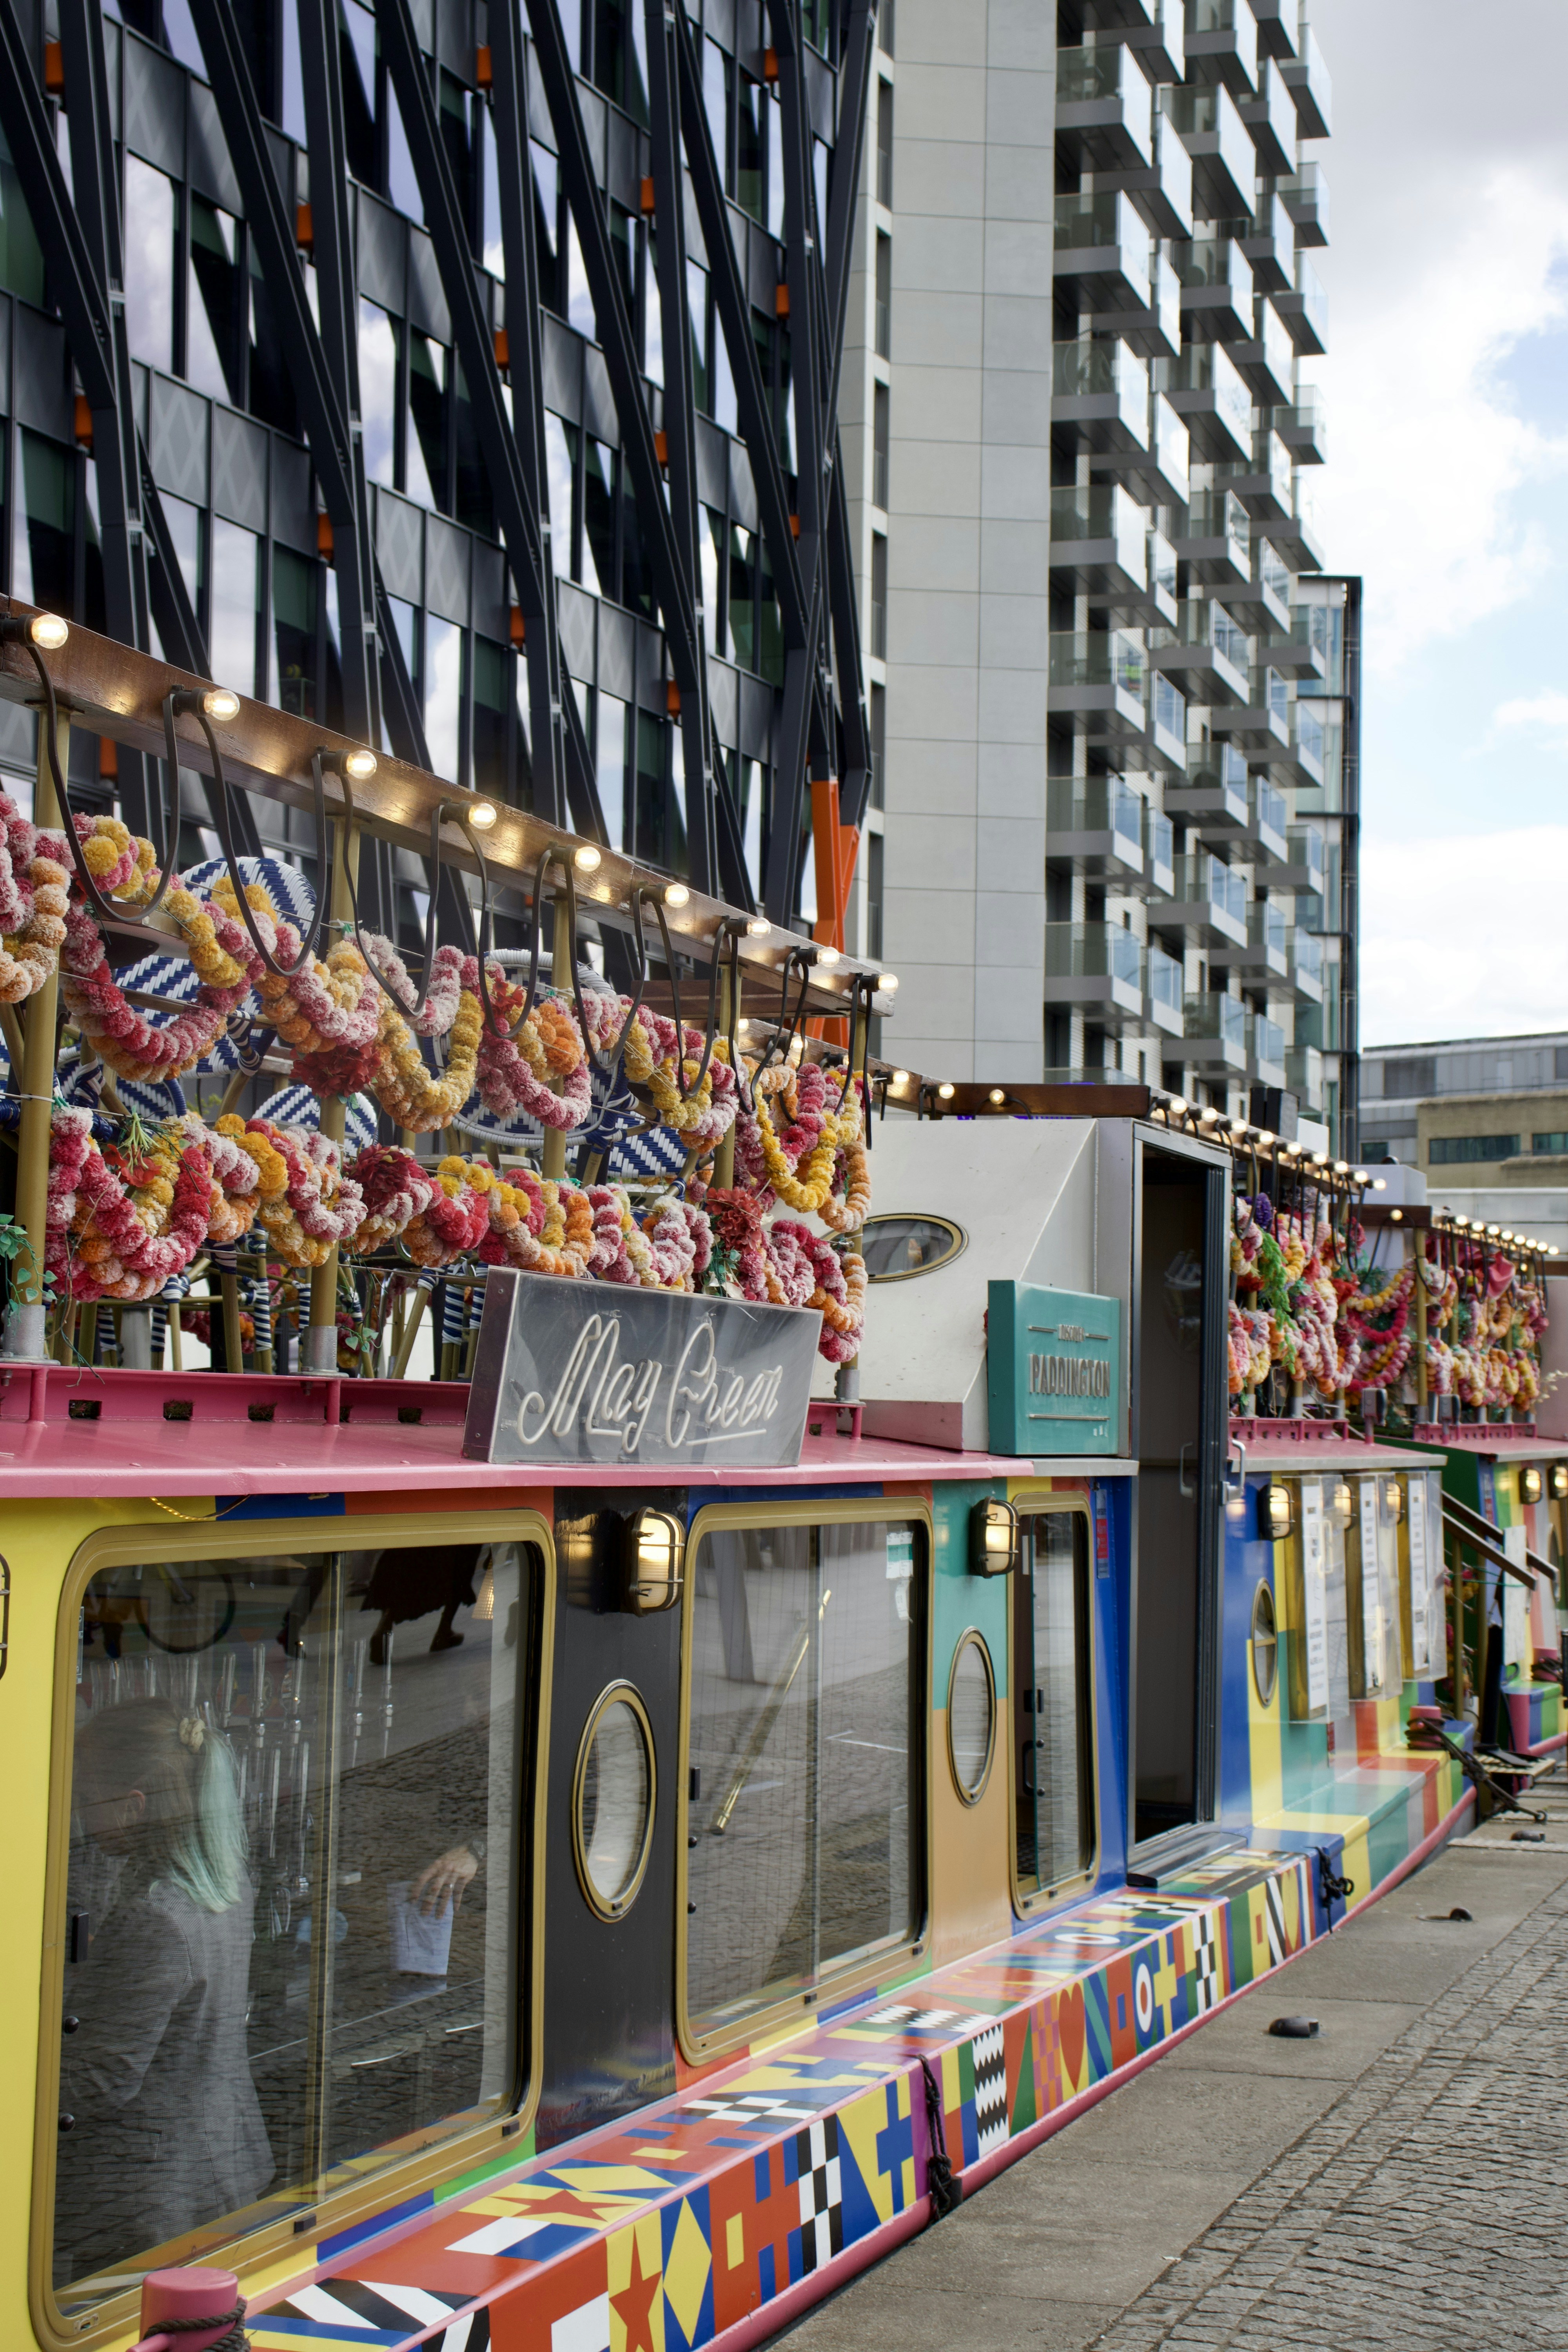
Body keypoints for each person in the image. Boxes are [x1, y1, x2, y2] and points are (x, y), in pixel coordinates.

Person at [55, 1700, 274, 2287]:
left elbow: (104, 2077)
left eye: (85, 1800)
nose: (76, 1815)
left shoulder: (156, 1919)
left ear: (133, 1810)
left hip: (150, 2197)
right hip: (221, 2160)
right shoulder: (226, 1883)